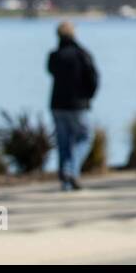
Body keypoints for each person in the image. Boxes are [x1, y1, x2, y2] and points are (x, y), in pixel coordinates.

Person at [47, 19, 98, 191]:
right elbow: (93, 78)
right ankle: (70, 170)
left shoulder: (55, 55)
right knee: (85, 137)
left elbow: (50, 70)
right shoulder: (82, 54)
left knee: (63, 141)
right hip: (77, 105)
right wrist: (88, 96)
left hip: (57, 104)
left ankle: (65, 179)